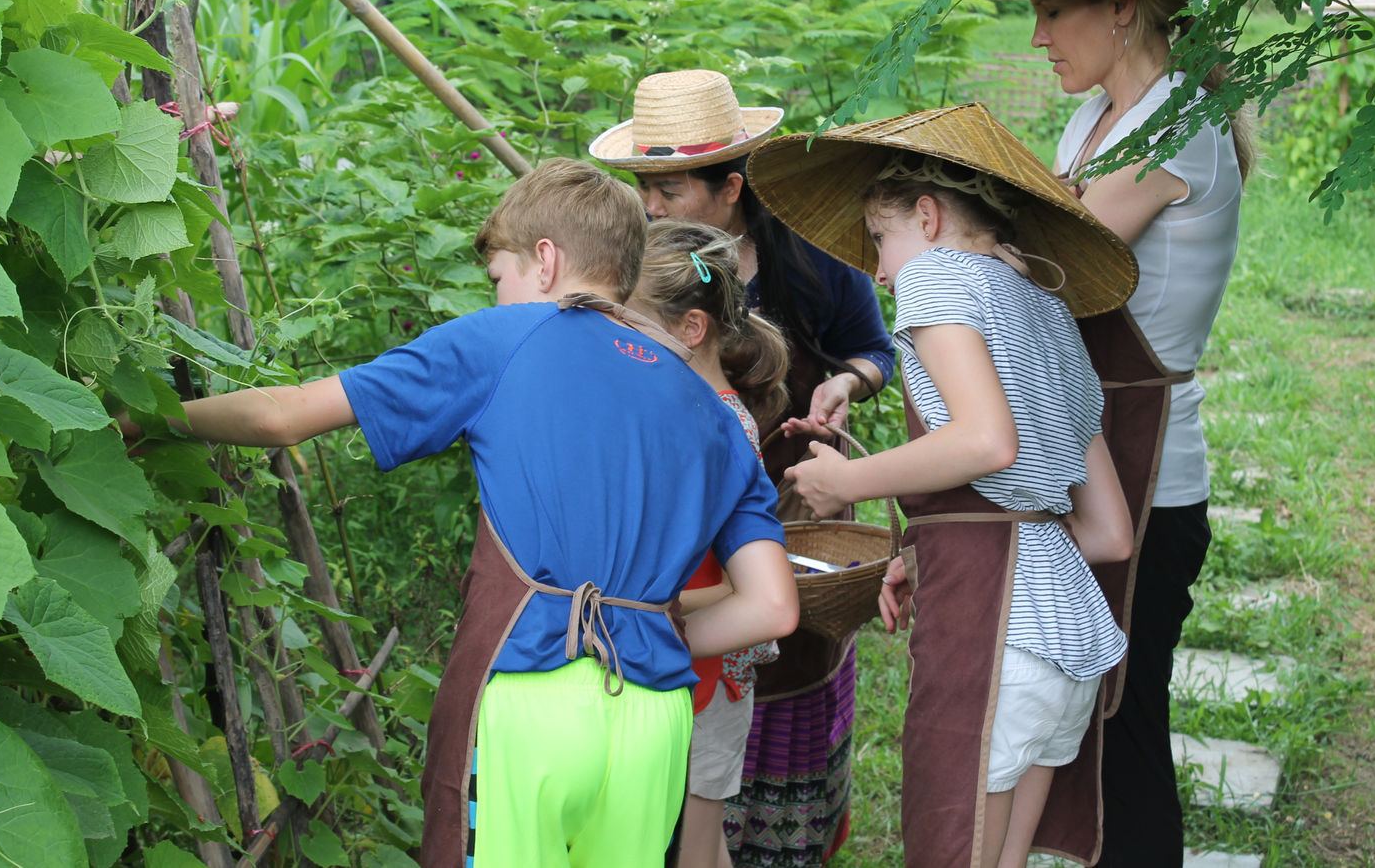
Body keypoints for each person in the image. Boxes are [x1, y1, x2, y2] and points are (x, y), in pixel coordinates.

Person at [123, 158, 799, 868]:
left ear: (544, 261)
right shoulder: (714, 413)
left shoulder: (507, 339)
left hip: (530, 704)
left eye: (497, 278)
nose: (498, 295)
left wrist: (144, 421)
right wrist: (640, 626)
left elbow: (281, 415)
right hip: (653, 722)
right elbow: (774, 606)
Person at [901, 0, 1253, 862]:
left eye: (1053, 12)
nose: (1038, 37)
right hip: (1089, 441)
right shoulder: (1096, 121)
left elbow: (1047, 264)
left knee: (1125, 727)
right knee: (1076, 720)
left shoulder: (1176, 130)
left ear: (1122, 6)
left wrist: (940, 242)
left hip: (1148, 462)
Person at [746, 102, 1140, 868]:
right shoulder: (1052, 314)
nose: (882, 272)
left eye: (881, 242)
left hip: (1002, 638)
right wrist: (936, 550)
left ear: (926, 217)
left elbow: (986, 441)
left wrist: (848, 479)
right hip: (1069, 640)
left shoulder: (938, 275)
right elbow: (1108, 534)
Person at [591, 69, 896, 864]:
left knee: (777, 663)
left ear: (731, 186)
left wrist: (844, 381)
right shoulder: (646, 270)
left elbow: (875, 350)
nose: (651, 206)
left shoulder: (815, 258)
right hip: (686, 550)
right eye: (644, 187)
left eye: (668, 189)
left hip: (791, 512)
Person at [629, 219, 789, 868]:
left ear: (689, 330)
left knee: (694, 845)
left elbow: (738, 586)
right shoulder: (684, 415)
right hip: (682, 660)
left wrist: (646, 616)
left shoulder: (722, 430)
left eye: (630, 330)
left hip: (710, 672)